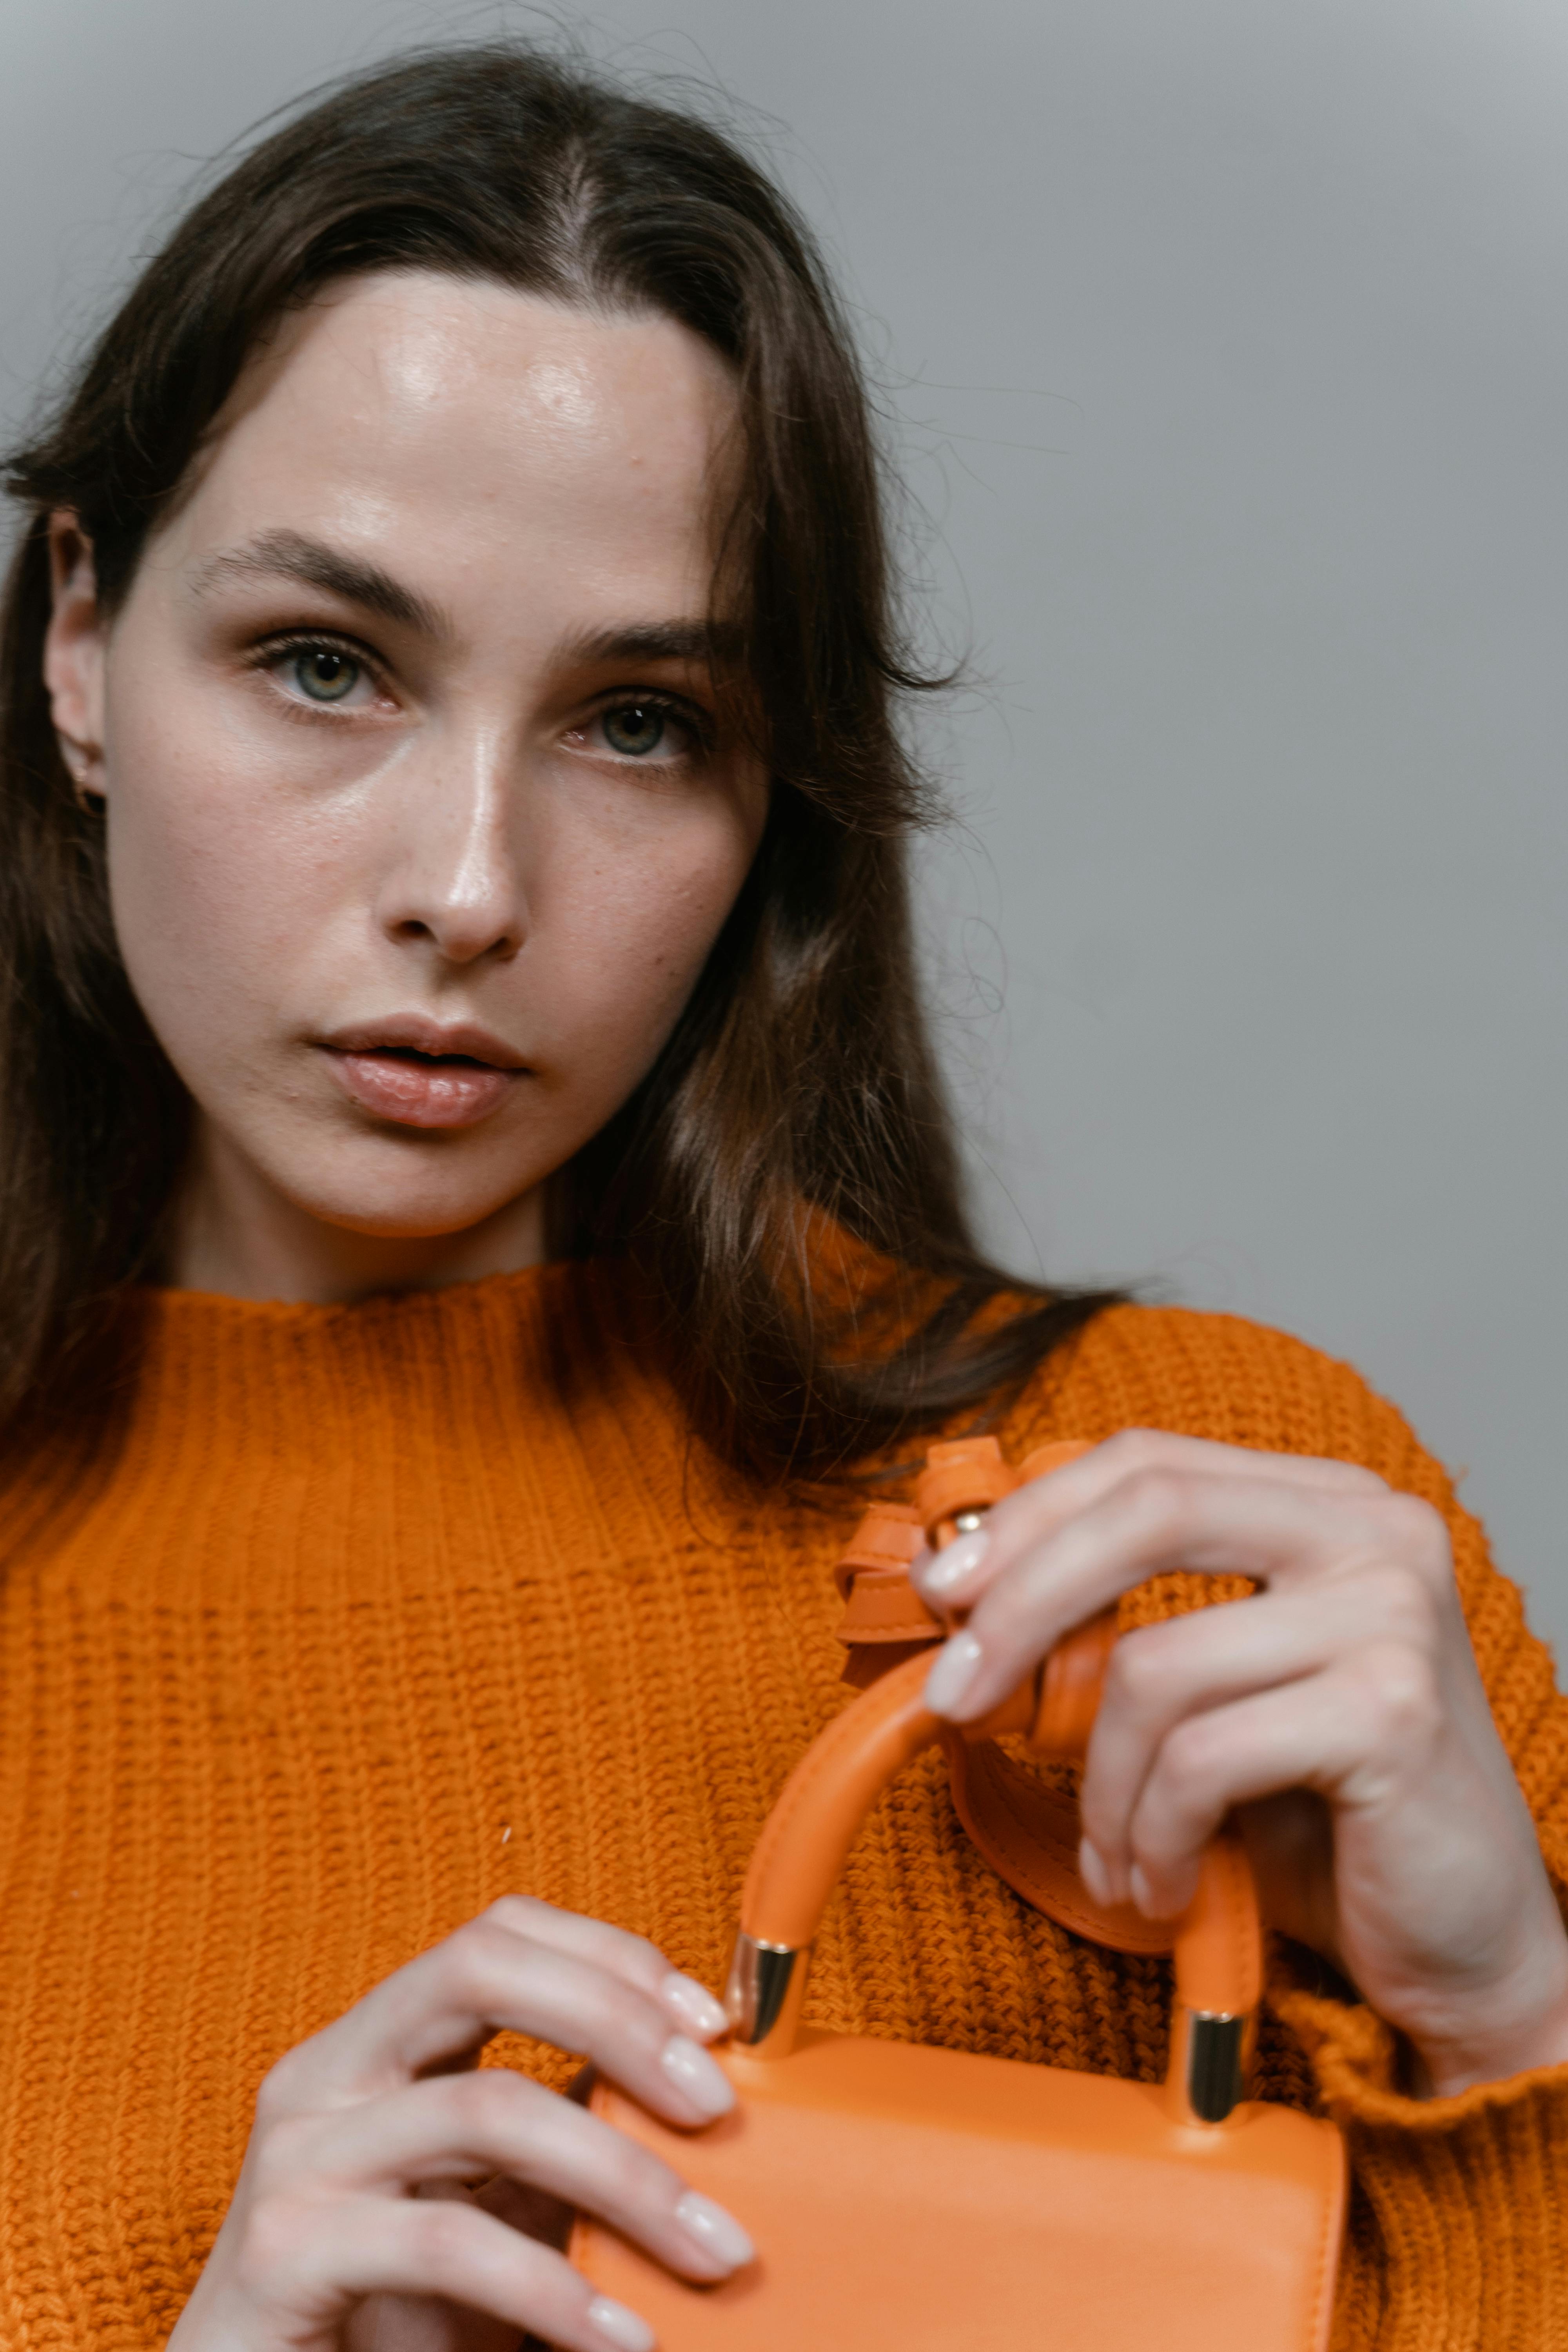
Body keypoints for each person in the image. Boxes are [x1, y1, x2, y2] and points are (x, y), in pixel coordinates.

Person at [0, 40, 1563, 2352]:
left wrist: (1515, 2030)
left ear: (772, 808)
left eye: (640, 722)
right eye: (323, 666)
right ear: (78, 648)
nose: (468, 885)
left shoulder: (1211, 1549)